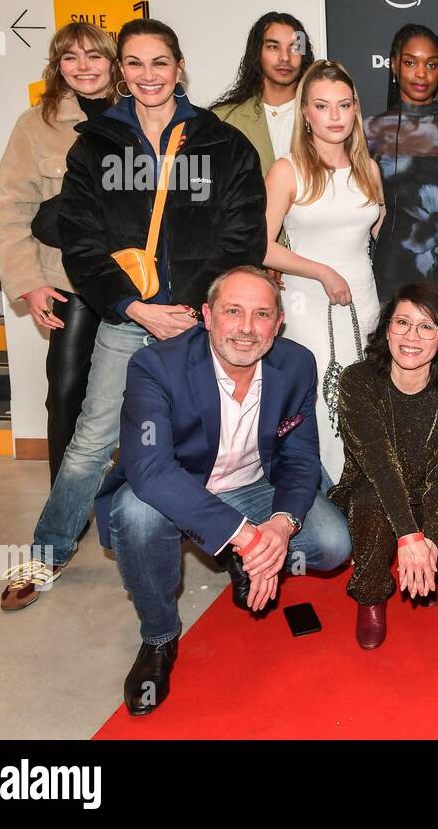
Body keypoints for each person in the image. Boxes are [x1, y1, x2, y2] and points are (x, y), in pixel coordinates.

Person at [0, 18, 268, 611]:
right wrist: (134, 306)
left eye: (160, 63)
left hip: (203, 327)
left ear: (179, 67)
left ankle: (250, 547)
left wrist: (197, 307)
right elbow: (81, 242)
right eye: (136, 64)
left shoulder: (222, 144)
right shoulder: (95, 147)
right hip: (128, 321)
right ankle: (47, 553)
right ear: (123, 71)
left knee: (223, 441)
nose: (149, 76)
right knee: (91, 441)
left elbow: (243, 235)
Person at [96, 267, 352, 715]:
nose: (247, 329)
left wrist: (278, 526)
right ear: (207, 316)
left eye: (261, 314)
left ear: (278, 323)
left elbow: (299, 457)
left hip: (253, 486)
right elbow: (151, 470)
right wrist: (249, 538)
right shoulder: (156, 366)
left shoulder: (295, 364)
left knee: (333, 544)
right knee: (136, 515)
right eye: (233, 312)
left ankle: (236, 550)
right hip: (181, 487)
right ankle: (159, 637)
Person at [0, 21, 116, 486]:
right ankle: (67, 502)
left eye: (94, 56)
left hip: (135, 281)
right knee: (65, 392)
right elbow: (8, 210)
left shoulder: (144, 113)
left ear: (113, 61)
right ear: (57, 66)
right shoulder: (35, 124)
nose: (83, 67)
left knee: (148, 393)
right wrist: (29, 282)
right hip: (68, 281)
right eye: (70, 57)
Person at [330, 282, 438, 649]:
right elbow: (378, 463)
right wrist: (409, 536)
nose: (413, 335)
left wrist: (426, 543)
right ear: (387, 330)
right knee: (371, 510)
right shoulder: (358, 382)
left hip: (424, 497)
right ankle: (371, 593)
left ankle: (419, 570)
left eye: (427, 326)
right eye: (403, 323)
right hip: (371, 489)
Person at [263, 59, 385, 484]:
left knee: (365, 399)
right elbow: (261, 247)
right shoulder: (287, 169)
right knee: (321, 401)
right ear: (306, 114)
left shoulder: (369, 170)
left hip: (364, 302)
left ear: (355, 110)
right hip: (307, 305)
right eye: (322, 106)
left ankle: (363, 496)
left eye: (344, 105)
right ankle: (325, 497)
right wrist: (322, 272)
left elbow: (372, 231)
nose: (335, 116)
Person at [364, 24, 438, 311]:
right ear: (394, 65)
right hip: (392, 272)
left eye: (431, 65)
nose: (421, 73)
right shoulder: (371, 131)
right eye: (411, 63)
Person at [212, 12, 315, 177]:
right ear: (257, 53)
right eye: (273, 47)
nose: (285, 57)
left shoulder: (325, 116)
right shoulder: (223, 120)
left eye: (295, 48)